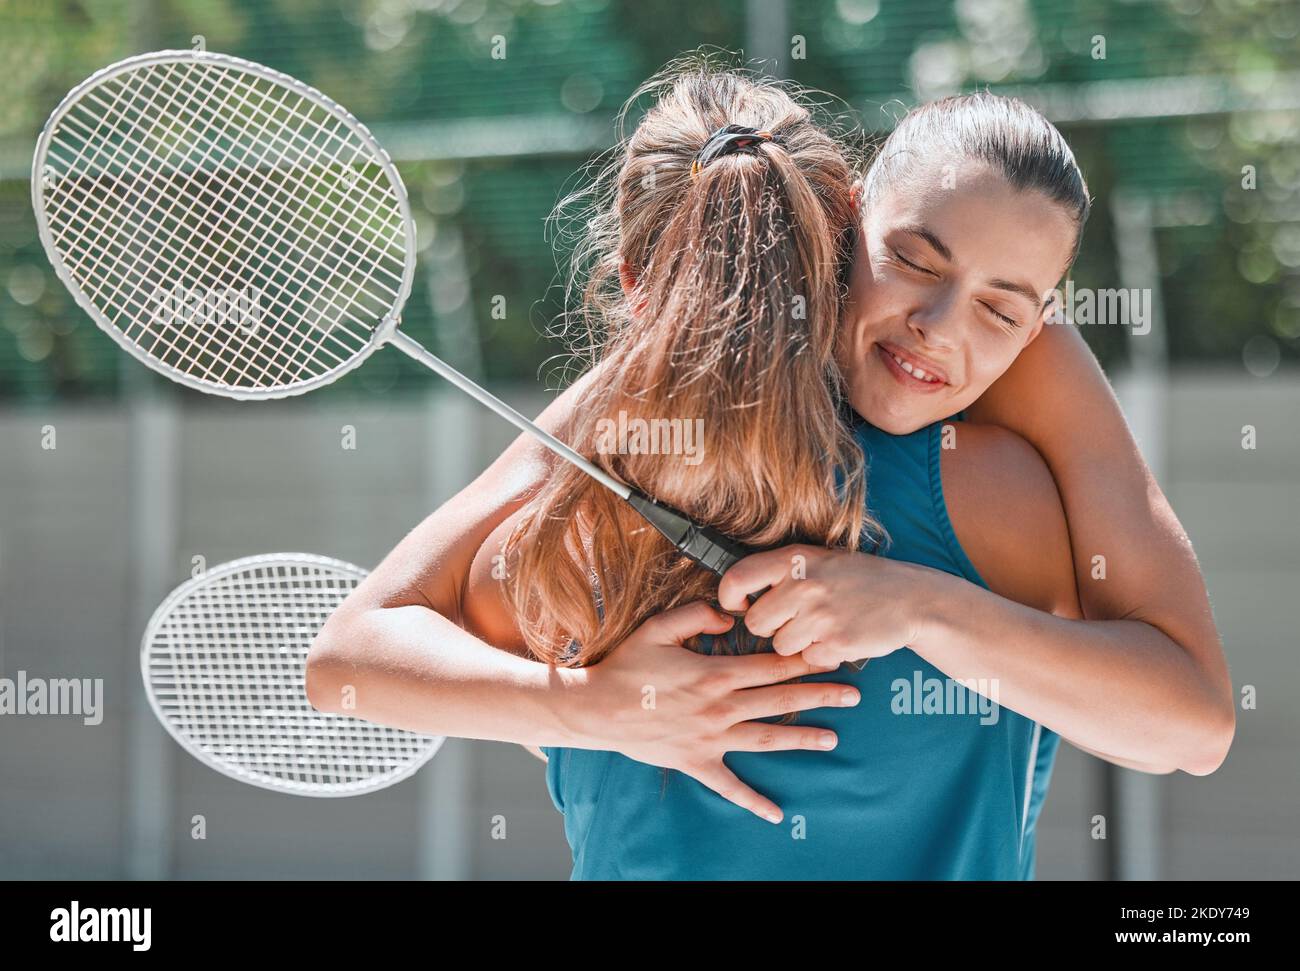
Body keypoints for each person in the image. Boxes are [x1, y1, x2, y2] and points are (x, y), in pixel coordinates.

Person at [305, 60, 1233, 879]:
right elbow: (350, 659)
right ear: (840, 228)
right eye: (912, 259)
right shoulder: (614, 465)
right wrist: (602, 709)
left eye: (1004, 310)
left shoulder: (572, 514)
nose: (943, 324)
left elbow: (1192, 724)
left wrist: (914, 602)